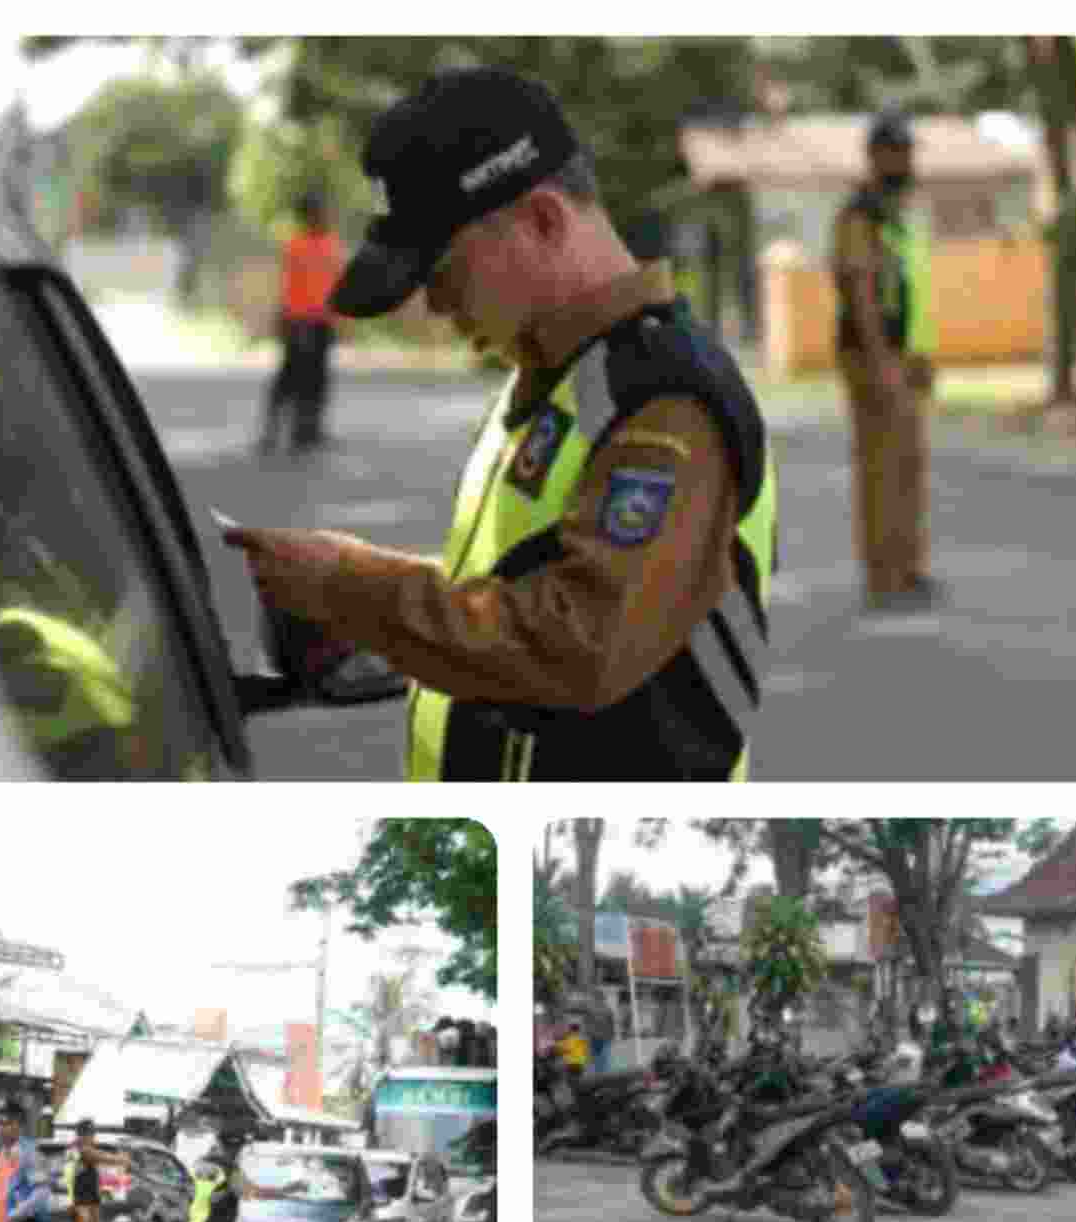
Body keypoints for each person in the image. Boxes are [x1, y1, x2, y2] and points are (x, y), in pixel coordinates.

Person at [220, 66, 779, 782]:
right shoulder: (558, 376)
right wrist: (360, 579)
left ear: (543, 220)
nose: (435, 305)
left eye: (444, 272)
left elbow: (578, 642)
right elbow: (519, 586)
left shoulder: (665, 400)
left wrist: (348, 589)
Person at [832, 109, 940, 615]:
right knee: (880, 465)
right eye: (897, 151)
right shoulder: (860, 216)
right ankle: (883, 577)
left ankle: (909, 568)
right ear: (875, 156)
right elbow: (860, 292)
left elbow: (910, 288)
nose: (906, 160)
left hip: (904, 354)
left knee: (910, 464)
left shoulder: (896, 214)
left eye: (908, 151)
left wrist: (919, 354)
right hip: (871, 354)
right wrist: (881, 363)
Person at [260, 190, 344, 455]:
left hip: (322, 321)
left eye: (324, 212)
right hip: (298, 321)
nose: (324, 217)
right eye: (318, 213)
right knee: (290, 376)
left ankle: (308, 430)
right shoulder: (295, 246)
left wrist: (340, 319)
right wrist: (282, 318)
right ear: (307, 217)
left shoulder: (332, 244)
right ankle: (271, 430)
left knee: (318, 377)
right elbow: (288, 286)